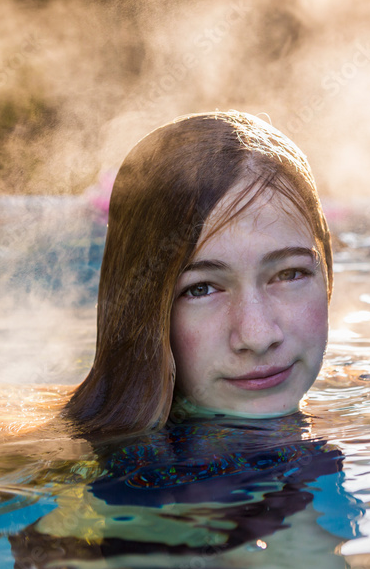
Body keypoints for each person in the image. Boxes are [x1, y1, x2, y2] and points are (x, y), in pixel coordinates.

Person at [62, 110, 334, 436]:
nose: (258, 336)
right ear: (139, 309)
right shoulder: (53, 460)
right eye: (201, 288)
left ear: (328, 275)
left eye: (290, 273)